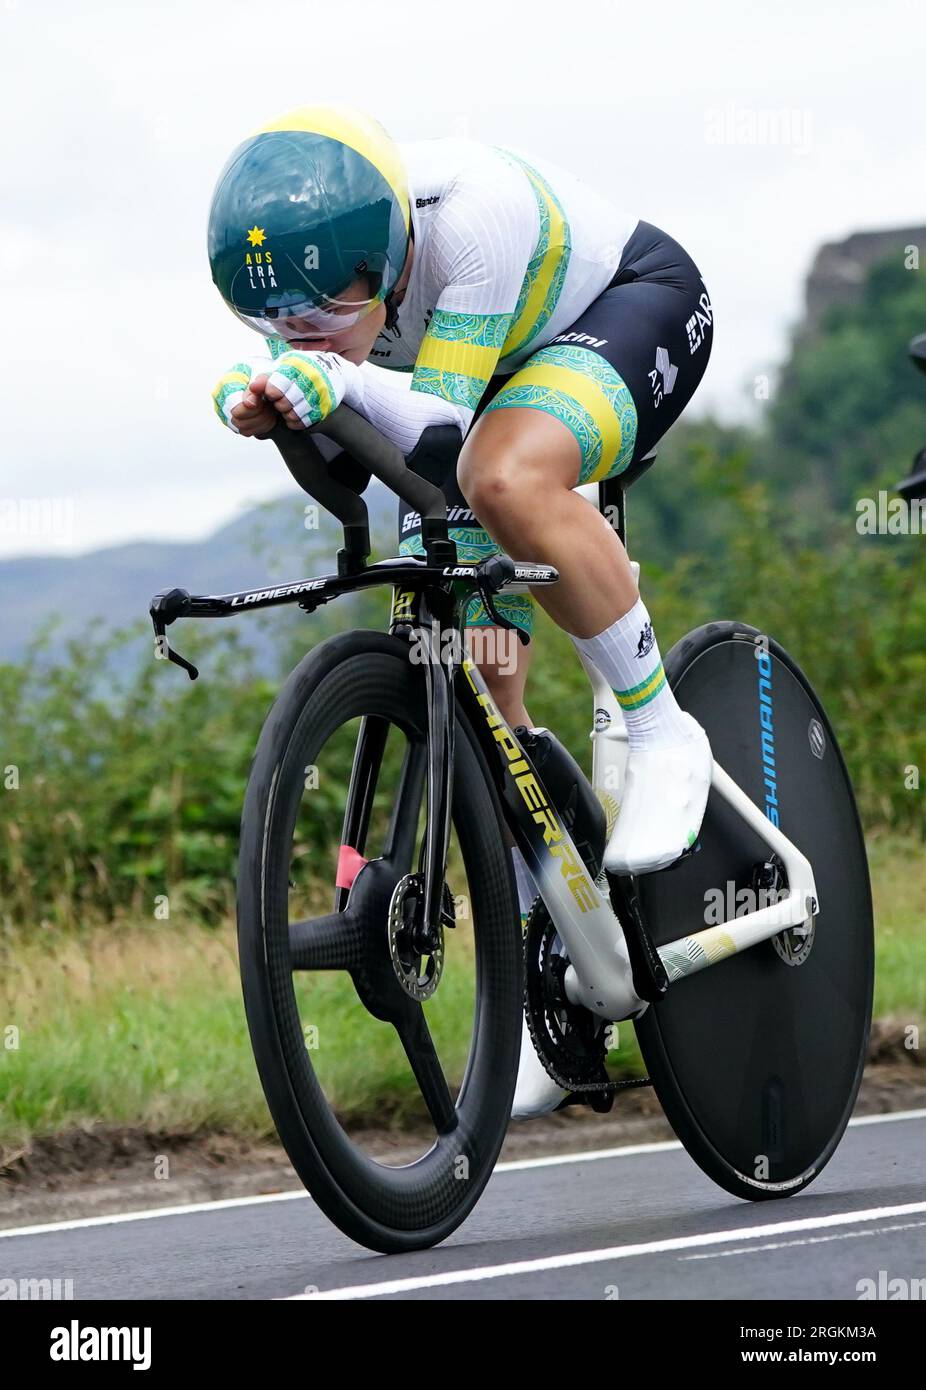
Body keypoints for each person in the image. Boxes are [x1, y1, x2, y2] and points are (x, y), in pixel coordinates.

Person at [208, 104, 715, 1116]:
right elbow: (363, 459)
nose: (297, 332)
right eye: (276, 322)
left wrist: (328, 379)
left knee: (502, 477)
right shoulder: (310, 274)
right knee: (469, 654)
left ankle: (665, 730)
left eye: (322, 312)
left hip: (624, 306)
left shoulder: (465, 223)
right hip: (484, 371)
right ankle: (553, 964)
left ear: (389, 257)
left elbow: (437, 432)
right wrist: (267, 401)